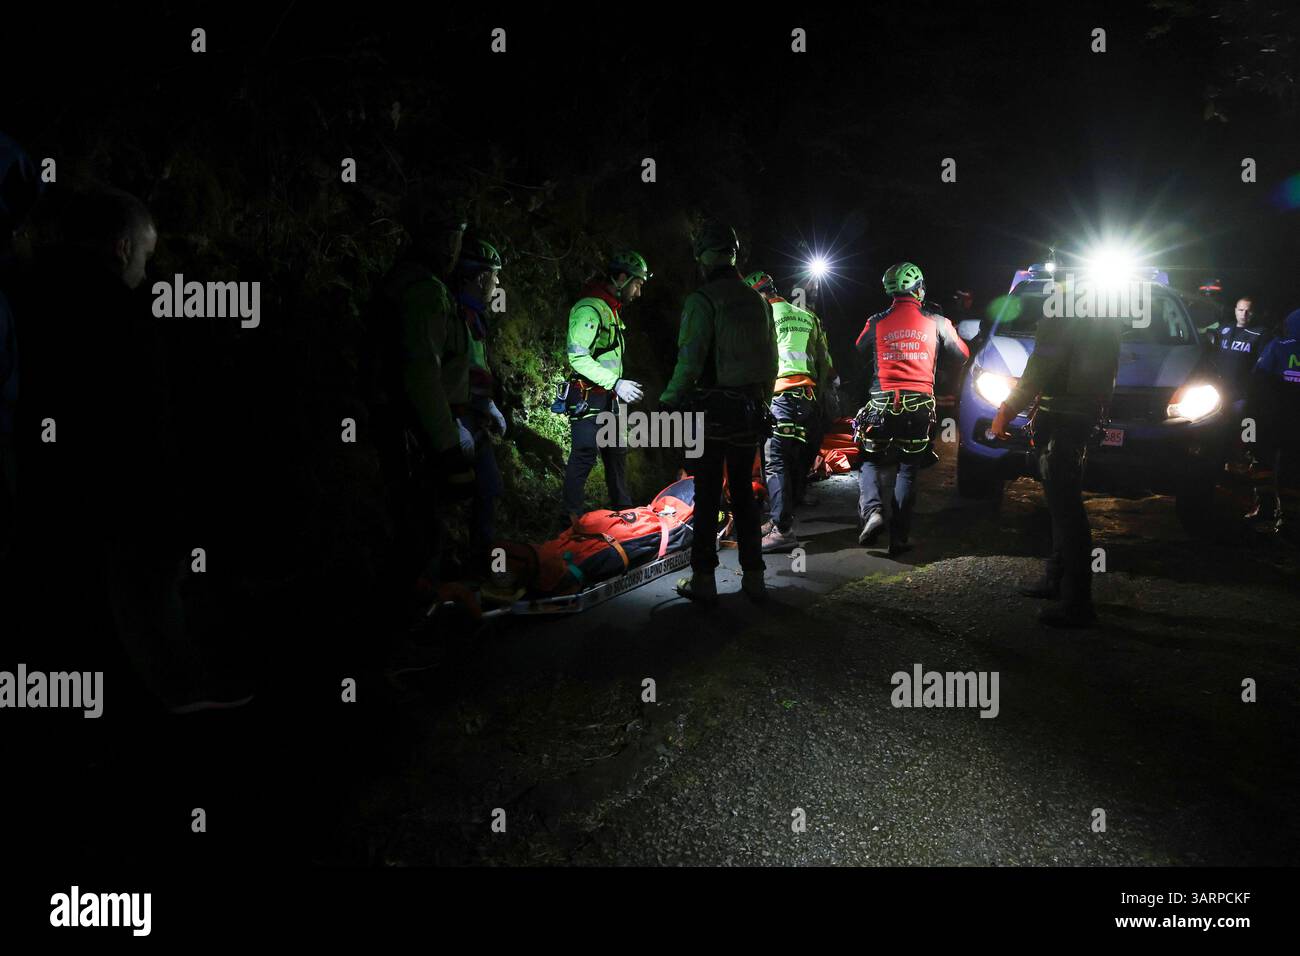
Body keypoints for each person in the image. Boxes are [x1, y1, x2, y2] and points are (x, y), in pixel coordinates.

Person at [660, 221, 777, 604]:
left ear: (702, 259)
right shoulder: (758, 301)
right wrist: (762, 402)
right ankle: (755, 577)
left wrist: (669, 401)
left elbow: (689, 359)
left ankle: (704, 579)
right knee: (743, 491)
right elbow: (771, 362)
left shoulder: (702, 300)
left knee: (707, 491)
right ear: (734, 255)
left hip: (709, 410)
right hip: (748, 409)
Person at [990, 295, 1122, 627]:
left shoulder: (1062, 314)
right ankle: (1056, 580)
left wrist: (1006, 411)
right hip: (1081, 420)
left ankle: (1077, 602)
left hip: (1060, 423)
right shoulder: (1105, 316)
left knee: (1066, 510)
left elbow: (1039, 369)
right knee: (1063, 504)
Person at [374, 195, 475, 606]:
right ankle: (408, 629)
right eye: (449, 239)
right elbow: (422, 373)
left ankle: (412, 617)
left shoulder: (403, 282)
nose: (453, 250)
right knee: (419, 531)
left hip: (403, 427)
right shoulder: (424, 291)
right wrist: (447, 445)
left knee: (416, 528)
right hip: (416, 433)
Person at [854, 262, 969, 554]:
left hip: (881, 401)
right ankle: (899, 539)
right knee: (907, 469)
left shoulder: (875, 321)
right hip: (919, 406)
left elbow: (858, 350)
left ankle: (873, 512)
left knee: (869, 459)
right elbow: (962, 354)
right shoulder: (938, 322)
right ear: (918, 288)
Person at [559, 250, 651, 526]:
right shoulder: (590, 309)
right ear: (622, 278)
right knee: (585, 454)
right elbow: (577, 356)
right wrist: (616, 383)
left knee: (617, 455)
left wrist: (616, 387)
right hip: (589, 397)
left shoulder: (610, 309)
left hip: (609, 399)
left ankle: (624, 516)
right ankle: (568, 521)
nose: (638, 293)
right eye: (637, 284)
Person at [745, 270, 835, 551]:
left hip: (780, 397)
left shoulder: (762, 317)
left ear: (759, 294)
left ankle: (783, 530)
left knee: (775, 462)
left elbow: (756, 361)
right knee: (791, 460)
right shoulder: (807, 317)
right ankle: (778, 520)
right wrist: (817, 400)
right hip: (806, 399)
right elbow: (826, 365)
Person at [455, 237, 507, 572]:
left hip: (471, 414)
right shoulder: (454, 314)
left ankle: (478, 562)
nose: (498, 283)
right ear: (478, 277)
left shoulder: (472, 315)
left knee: (488, 487)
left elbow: (474, 368)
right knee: (445, 495)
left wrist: (487, 405)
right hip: (455, 417)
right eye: (494, 276)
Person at [1248, 308, 1300, 541]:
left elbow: (1258, 378)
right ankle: (1289, 518)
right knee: (1292, 466)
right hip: (1293, 419)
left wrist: (1252, 411)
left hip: (1272, 416)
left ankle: (1265, 509)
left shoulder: (1279, 346)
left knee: (1262, 460)